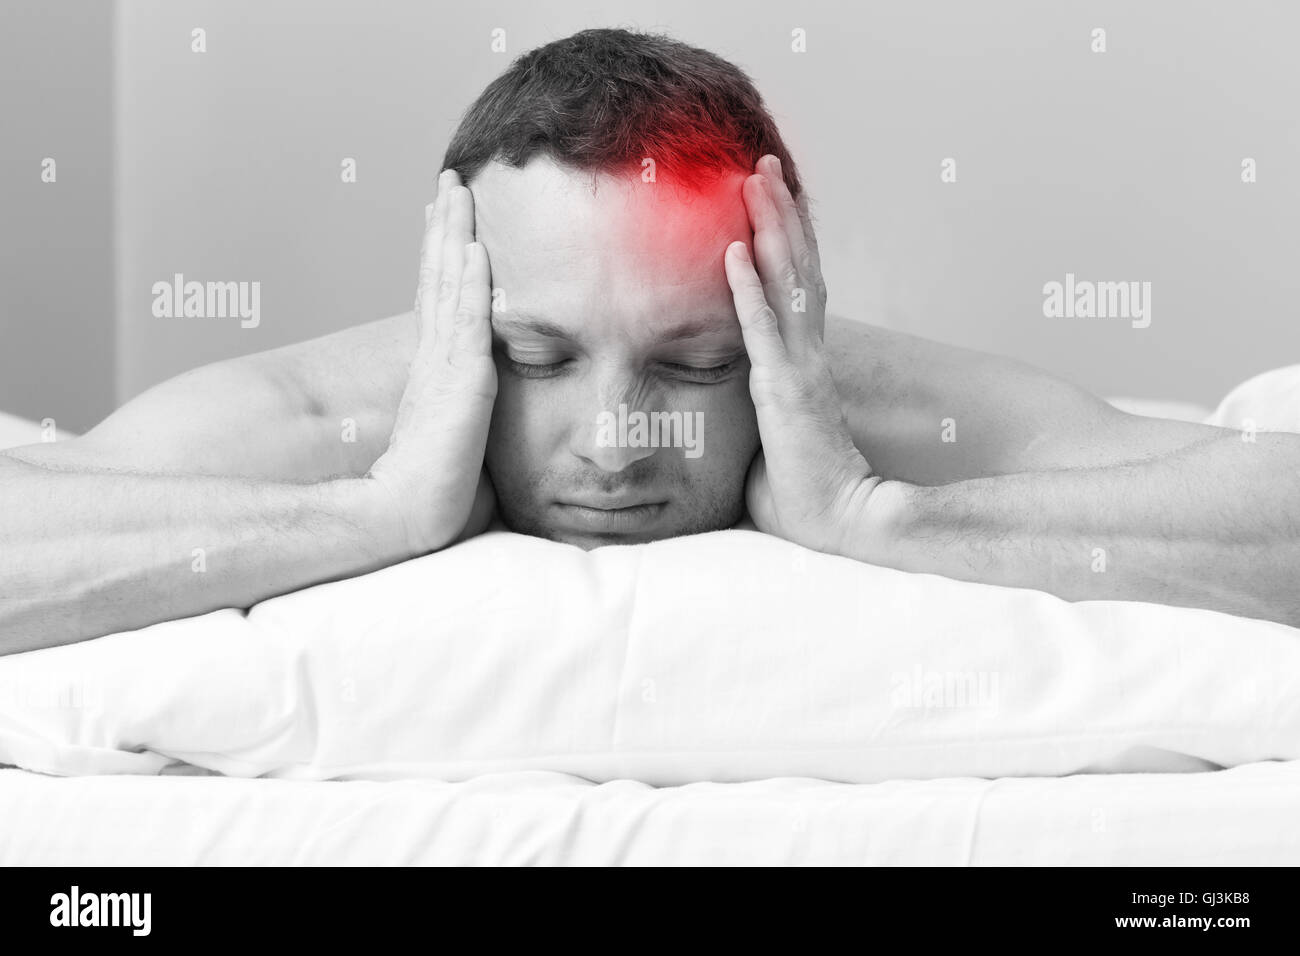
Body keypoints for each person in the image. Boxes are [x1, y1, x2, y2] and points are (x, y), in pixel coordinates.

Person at [2, 29, 1296, 656]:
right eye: (540, 358)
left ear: (779, 313)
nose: (616, 444)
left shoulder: (849, 405)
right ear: (453, 302)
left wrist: (884, 514)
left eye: (691, 363)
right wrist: (378, 510)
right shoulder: (339, 417)